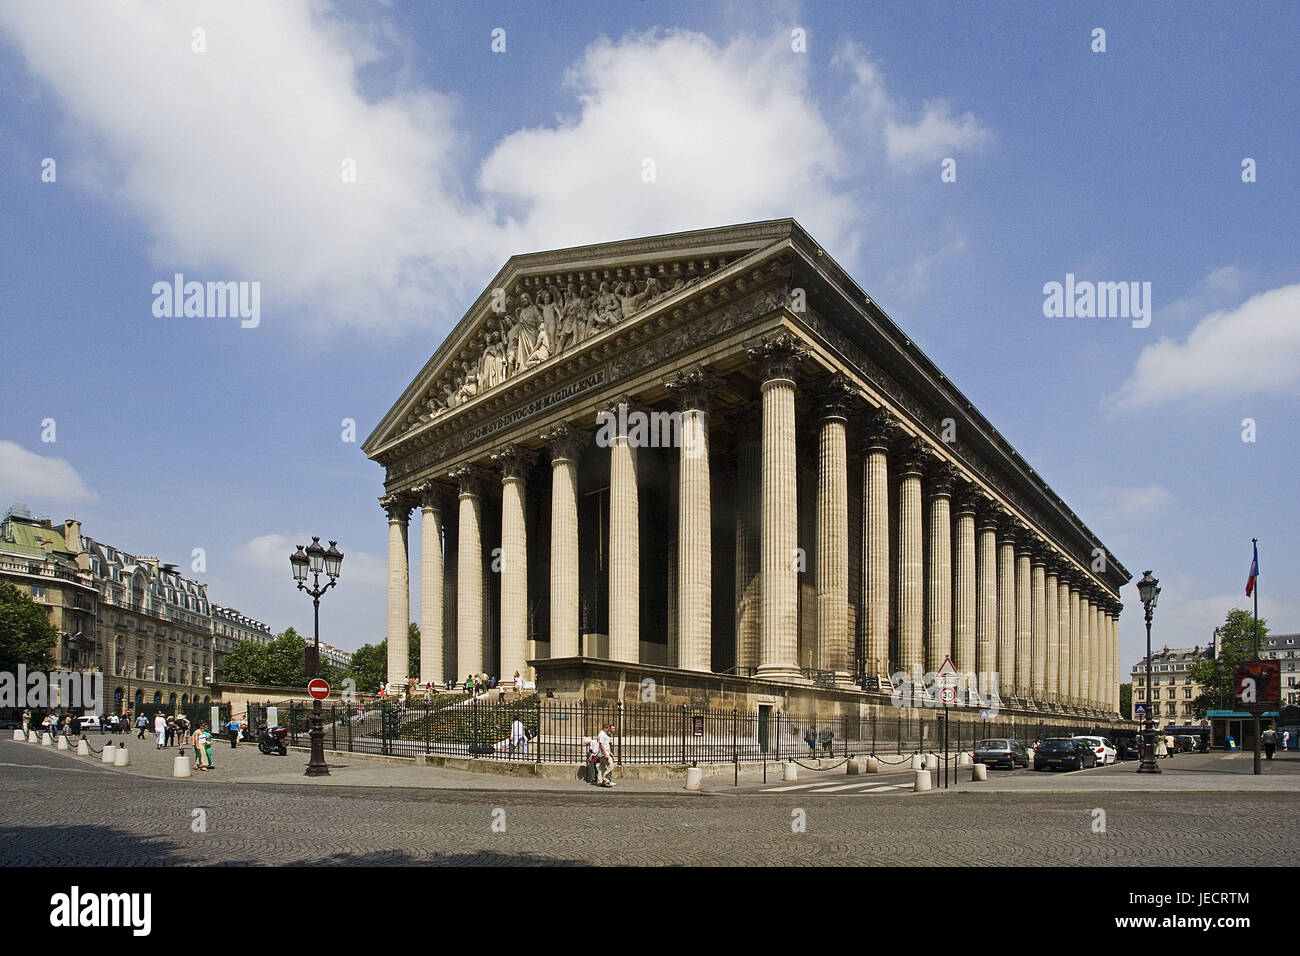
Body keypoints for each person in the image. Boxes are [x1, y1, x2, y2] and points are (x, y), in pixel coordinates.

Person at [596, 722, 615, 788]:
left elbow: (607, 744)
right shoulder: (602, 734)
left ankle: (600, 781)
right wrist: (605, 754)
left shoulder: (604, 734)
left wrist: (610, 753)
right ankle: (605, 780)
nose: (609, 730)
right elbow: (601, 744)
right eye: (608, 728)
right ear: (606, 728)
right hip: (604, 754)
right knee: (611, 766)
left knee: (601, 768)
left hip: (605, 753)